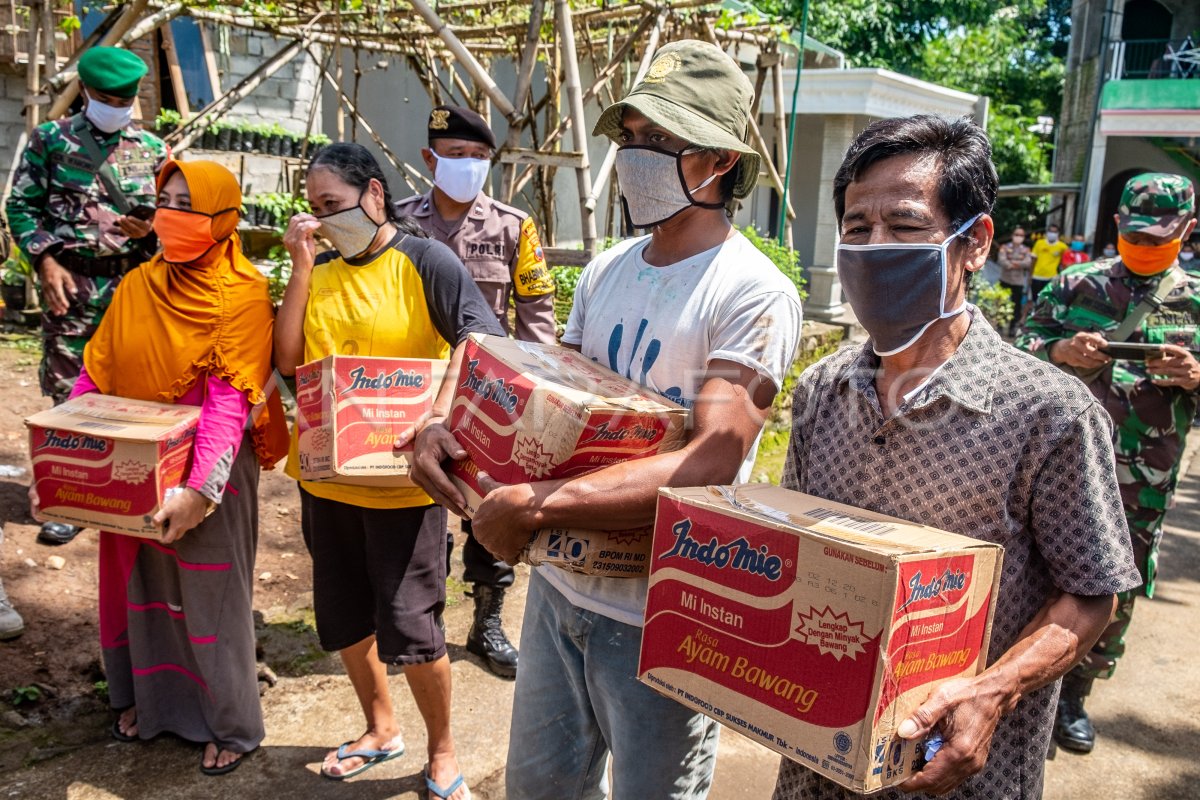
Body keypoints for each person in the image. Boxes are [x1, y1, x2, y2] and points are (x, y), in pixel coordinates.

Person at [412, 40, 803, 799]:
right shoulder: (607, 269)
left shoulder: (752, 293)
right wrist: (447, 427)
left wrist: (535, 506)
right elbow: (550, 402)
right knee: (540, 791)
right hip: (562, 589)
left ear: (719, 159)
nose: (632, 157)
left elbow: (711, 463)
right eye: (628, 138)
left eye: (658, 141)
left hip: (668, 608)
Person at [772, 115, 1139, 800]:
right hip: (815, 765)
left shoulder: (1049, 413)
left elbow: (1092, 594)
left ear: (974, 244)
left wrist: (994, 692)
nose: (875, 247)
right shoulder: (822, 391)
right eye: (857, 228)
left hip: (959, 775)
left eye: (905, 228)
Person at [34, 160, 291, 774]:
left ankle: (230, 723)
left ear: (224, 218)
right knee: (141, 588)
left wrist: (199, 491)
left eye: (188, 203)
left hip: (211, 469)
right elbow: (97, 375)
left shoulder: (245, 295)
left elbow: (230, 406)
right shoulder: (138, 286)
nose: (171, 216)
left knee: (210, 596)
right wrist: (64, 454)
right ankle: (151, 705)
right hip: (133, 464)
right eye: (164, 201)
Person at [276, 142, 501, 797]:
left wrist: (436, 413)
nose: (322, 220)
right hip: (324, 478)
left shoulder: (426, 261)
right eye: (313, 209)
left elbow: (478, 339)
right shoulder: (317, 270)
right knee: (344, 617)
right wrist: (297, 266)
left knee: (414, 625)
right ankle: (380, 728)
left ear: (374, 195)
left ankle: (443, 750)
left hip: (404, 485)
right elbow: (289, 360)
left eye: (334, 206)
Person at [1016, 172, 1199, 755]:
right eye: (1137, 235)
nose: (1145, 247)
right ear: (1117, 225)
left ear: (1188, 230)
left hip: (1142, 481)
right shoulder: (1075, 284)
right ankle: (1023, 689)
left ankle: (1075, 693)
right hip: (1058, 467)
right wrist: (1057, 351)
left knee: (1117, 586)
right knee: (1036, 573)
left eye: (1160, 238)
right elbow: (1015, 350)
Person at [396, 105, 557, 678]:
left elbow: (536, 316)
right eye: (455, 156)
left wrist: (541, 390)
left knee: (490, 508)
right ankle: (424, 624)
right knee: (422, 511)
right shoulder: (396, 220)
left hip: (487, 397)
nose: (467, 166)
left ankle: (487, 621)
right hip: (411, 393)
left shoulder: (515, 227)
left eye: (478, 158)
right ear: (429, 159)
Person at [6, 46, 169, 547]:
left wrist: (150, 229)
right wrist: (45, 260)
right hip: (72, 285)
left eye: (126, 98)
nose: (118, 106)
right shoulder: (51, 140)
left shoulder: (151, 148)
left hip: (132, 286)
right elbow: (21, 205)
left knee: (135, 390)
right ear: (87, 92)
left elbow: (170, 221)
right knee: (68, 389)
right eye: (108, 97)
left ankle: (129, 490)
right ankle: (71, 498)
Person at [996, 226, 1032, 335]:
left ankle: (1013, 328)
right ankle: (1000, 326)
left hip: (1018, 282)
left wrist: (1012, 263)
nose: (1018, 237)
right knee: (1002, 303)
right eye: (1017, 234)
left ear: (1023, 237)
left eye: (1021, 235)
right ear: (1012, 236)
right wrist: (1015, 264)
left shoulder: (1026, 250)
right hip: (1005, 280)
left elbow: (1028, 262)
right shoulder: (1004, 247)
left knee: (1016, 306)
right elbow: (1001, 260)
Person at [1030, 222, 1068, 299]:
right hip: (1036, 276)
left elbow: (1064, 262)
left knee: (1048, 299)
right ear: (1047, 232)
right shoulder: (1039, 243)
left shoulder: (1062, 247)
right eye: (1050, 231)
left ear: (1058, 233)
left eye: (1055, 232)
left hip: (1051, 277)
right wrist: (1030, 275)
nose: (1052, 233)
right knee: (1036, 298)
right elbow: (1033, 260)